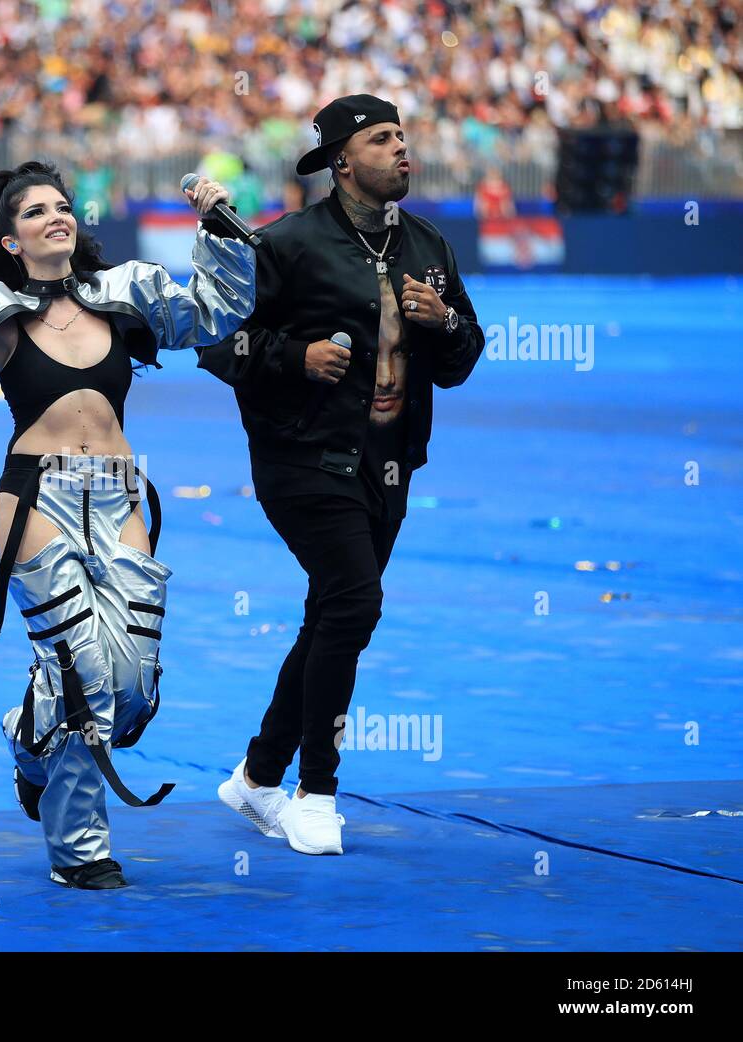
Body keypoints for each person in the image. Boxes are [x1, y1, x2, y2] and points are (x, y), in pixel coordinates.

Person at [0, 161, 255, 889]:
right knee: (83, 675)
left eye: (62, 206)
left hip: (119, 495)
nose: (56, 216)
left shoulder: (129, 291)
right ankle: (81, 852)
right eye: (33, 212)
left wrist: (217, 226)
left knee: (134, 684)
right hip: (34, 499)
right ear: (12, 240)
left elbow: (219, 313)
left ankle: (29, 738)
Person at [197, 95, 485, 856]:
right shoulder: (287, 245)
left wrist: (445, 323)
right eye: (382, 138)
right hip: (302, 458)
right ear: (340, 160)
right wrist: (296, 357)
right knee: (354, 602)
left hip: (390, 462)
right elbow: (216, 343)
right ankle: (316, 790)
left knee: (333, 611)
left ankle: (256, 776)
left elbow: (463, 359)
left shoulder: (428, 245)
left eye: (402, 134)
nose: (402, 148)